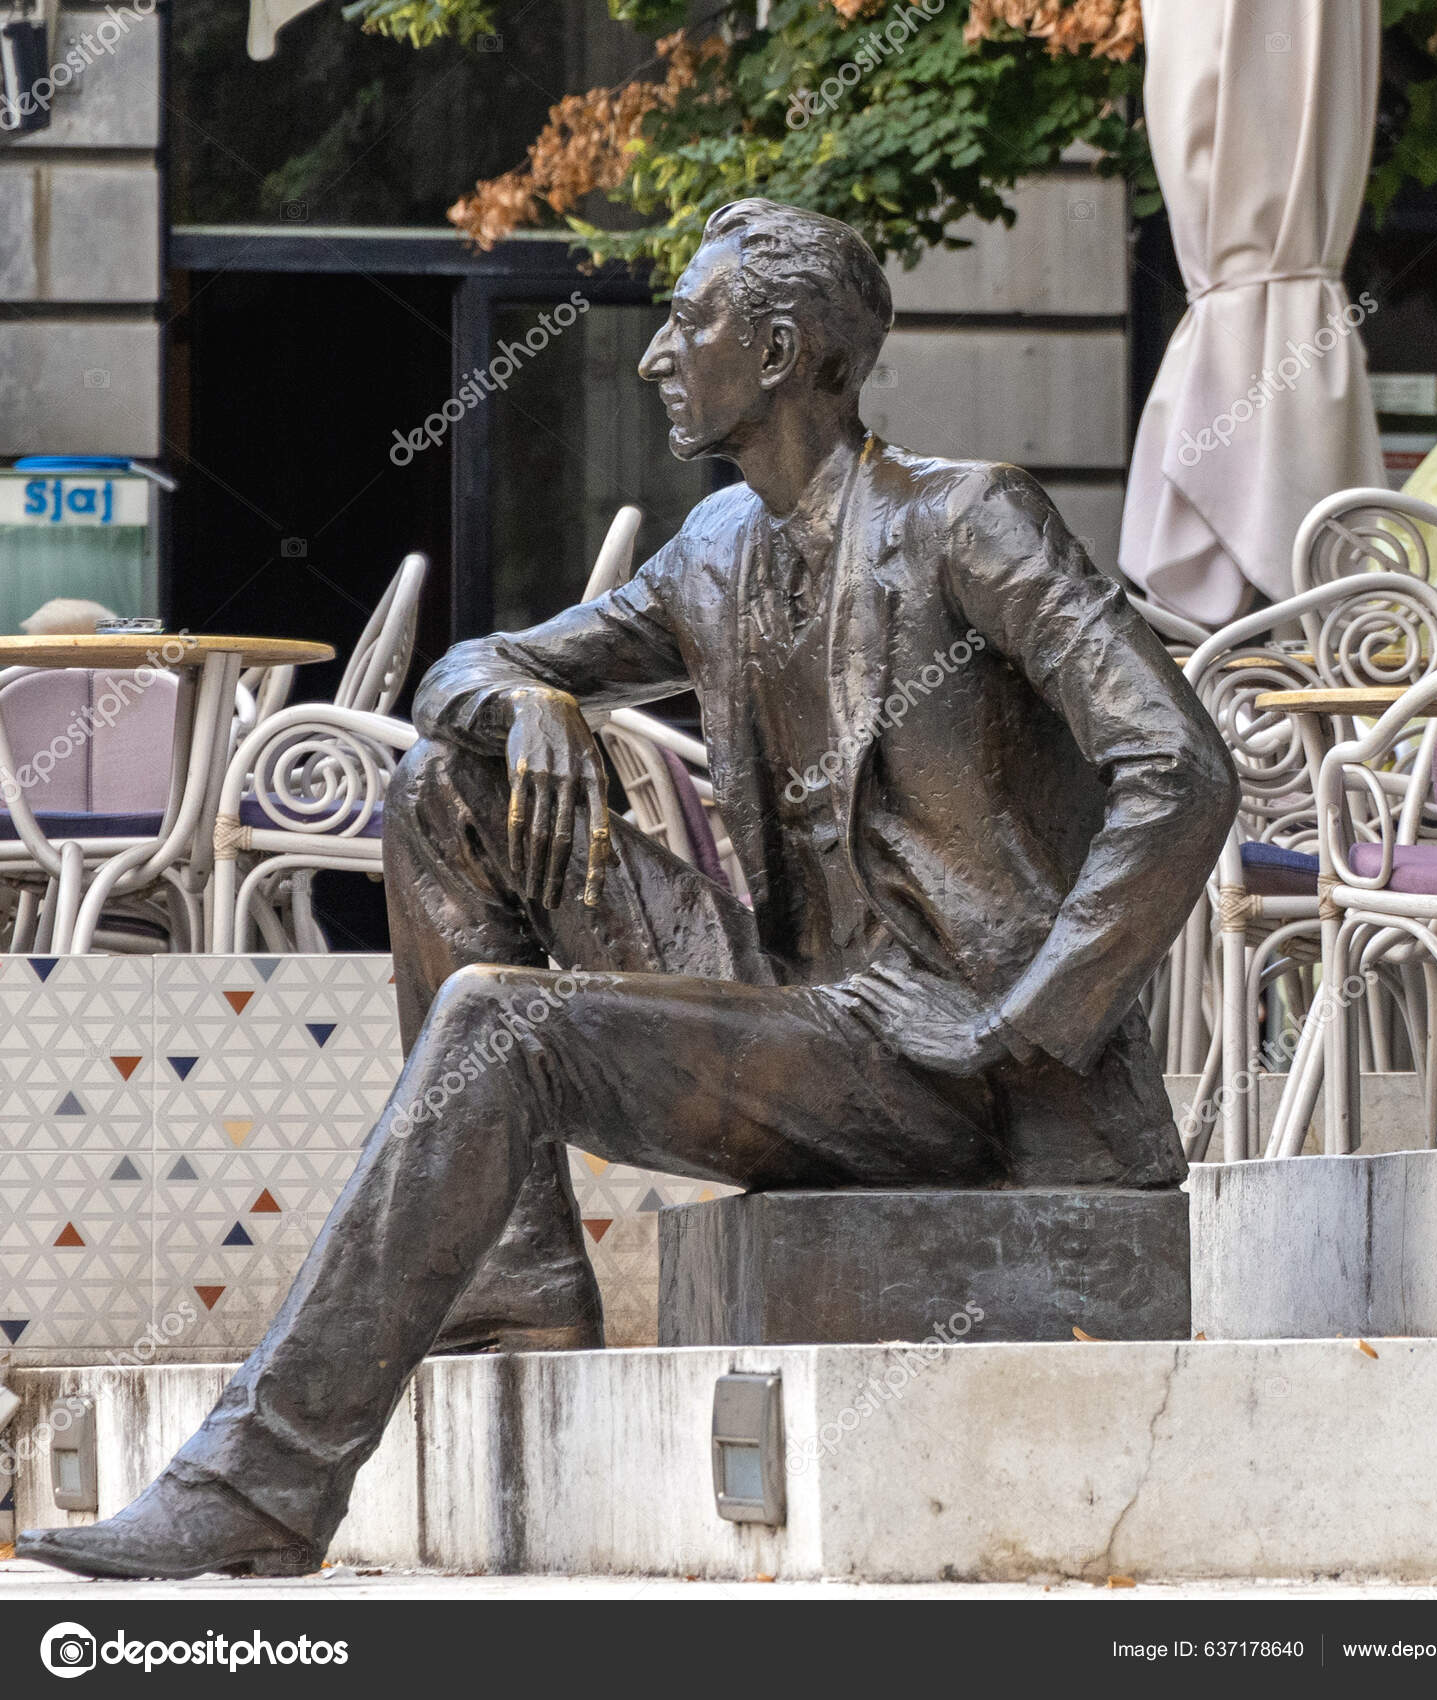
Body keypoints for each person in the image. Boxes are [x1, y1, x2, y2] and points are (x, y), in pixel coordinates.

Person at [20, 198, 1236, 1579]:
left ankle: (258, 1486)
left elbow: (1179, 767)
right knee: (443, 789)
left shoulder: (967, 519)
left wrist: (1036, 1016)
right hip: (807, 1007)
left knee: (505, 1026)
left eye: (689, 322)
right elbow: (468, 669)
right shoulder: (718, 546)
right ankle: (520, 1275)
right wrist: (528, 703)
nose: (658, 354)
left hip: (960, 1061)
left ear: (778, 351)